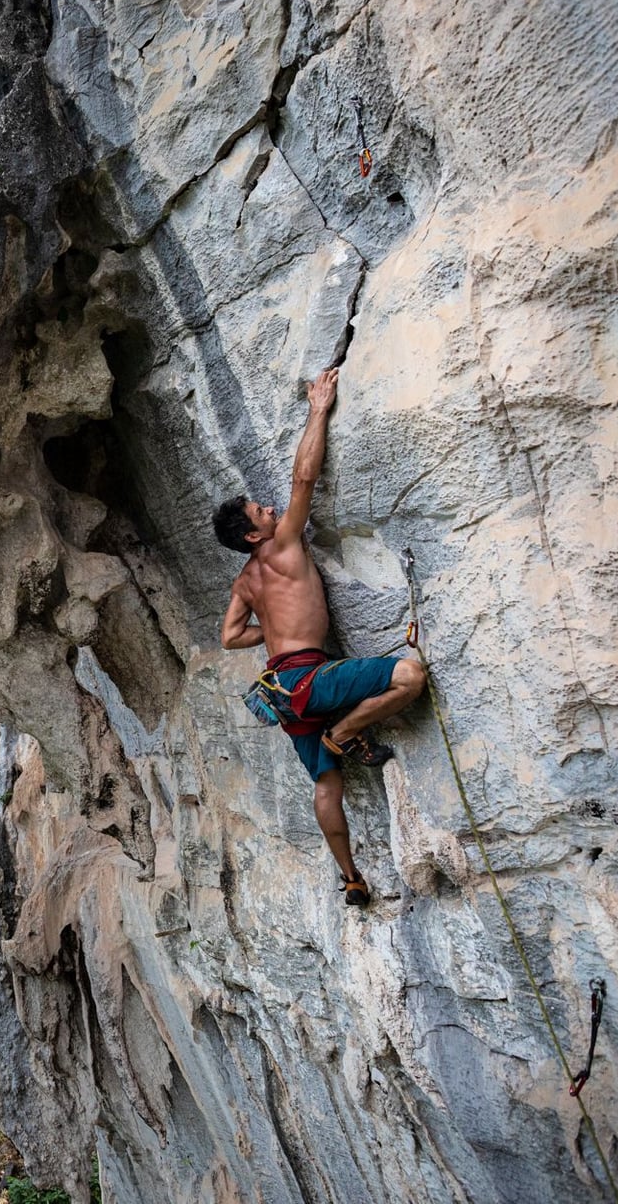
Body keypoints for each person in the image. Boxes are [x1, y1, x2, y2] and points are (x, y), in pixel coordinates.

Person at [212, 367, 424, 906]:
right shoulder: (282, 545)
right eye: (262, 511)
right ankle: (344, 732)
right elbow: (304, 479)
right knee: (409, 675)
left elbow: (230, 636)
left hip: (282, 696)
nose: (273, 508)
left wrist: (274, 630)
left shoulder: (244, 581)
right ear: (256, 534)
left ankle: (352, 877)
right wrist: (318, 409)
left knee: (327, 786)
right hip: (309, 679)